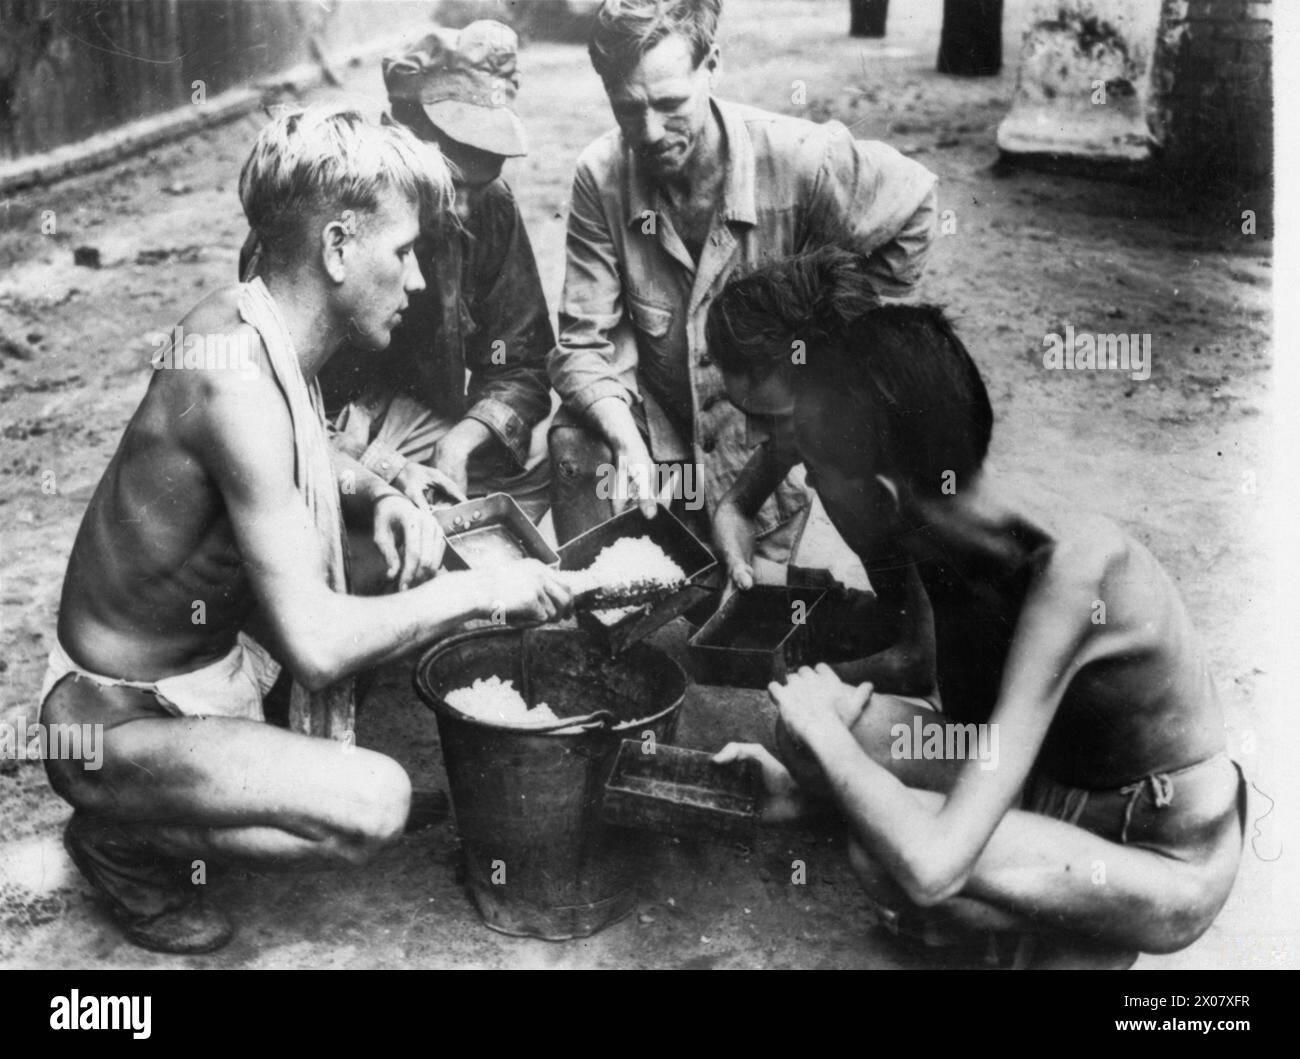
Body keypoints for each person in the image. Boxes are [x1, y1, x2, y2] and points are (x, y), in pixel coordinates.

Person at [40, 108, 573, 955]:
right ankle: (124, 834)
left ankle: (207, 784)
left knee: (387, 561)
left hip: (197, 665)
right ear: (335, 248)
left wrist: (378, 489)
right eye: (402, 252)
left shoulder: (247, 322)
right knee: (373, 806)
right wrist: (484, 591)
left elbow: (298, 451)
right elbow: (320, 647)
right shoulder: (235, 384)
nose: (420, 282)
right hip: (116, 720)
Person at [708, 265, 1245, 967]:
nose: (804, 477)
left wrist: (834, 753)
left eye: (813, 464)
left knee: (899, 853)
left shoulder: (1076, 570)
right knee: (842, 768)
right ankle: (1041, 912)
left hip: (1160, 851)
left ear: (880, 490)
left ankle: (1069, 926)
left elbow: (932, 863)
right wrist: (806, 782)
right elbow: (985, 738)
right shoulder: (948, 523)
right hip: (1054, 780)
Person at [546, 0, 937, 582]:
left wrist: (833, 335)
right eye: (628, 110)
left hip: (763, 448)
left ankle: (898, 622)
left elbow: (917, 203)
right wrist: (625, 439)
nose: (650, 134)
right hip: (664, 444)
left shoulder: (804, 159)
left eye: (671, 105)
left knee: (748, 606)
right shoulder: (600, 175)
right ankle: (599, 622)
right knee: (576, 440)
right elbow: (582, 346)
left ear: (714, 66)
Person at [244, 21, 555, 532]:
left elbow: (521, 361)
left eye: (484, 175)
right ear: (402, 129)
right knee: (311, 511)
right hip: (327, 425)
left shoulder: (487, 206)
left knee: (541, 445)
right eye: (453, 177)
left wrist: (465, 437)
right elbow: (274, 412)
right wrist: (386, 470)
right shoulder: (327, 204)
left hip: (419, 419)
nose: (464, 204)